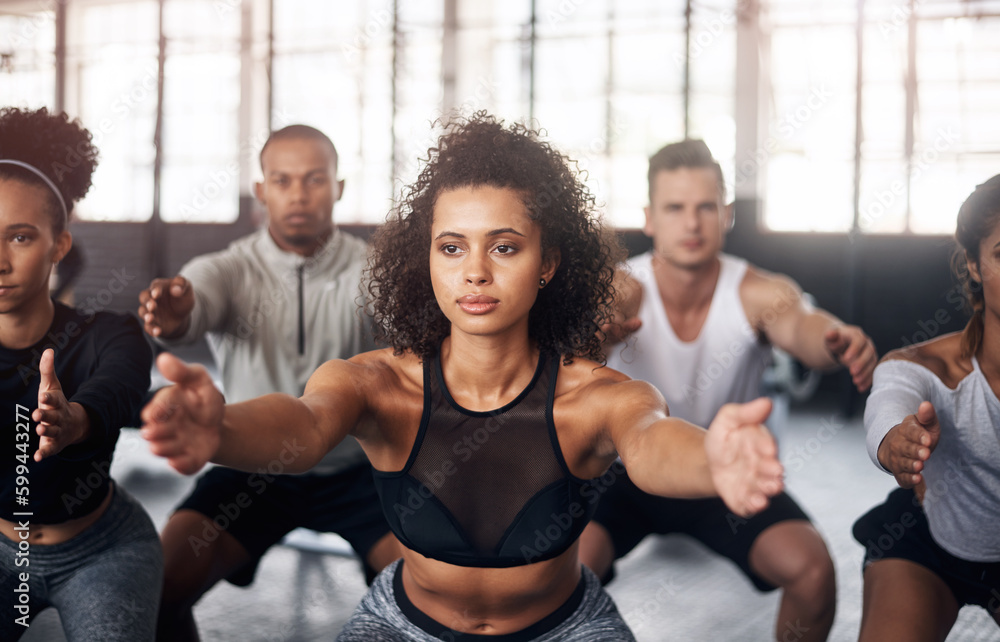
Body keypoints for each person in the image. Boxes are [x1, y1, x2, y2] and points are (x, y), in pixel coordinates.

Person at [140, 112, 785, 641]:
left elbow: (649, 440)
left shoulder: (598, 396)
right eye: (452, 247)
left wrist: (714, 460)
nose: (475, 271)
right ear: (428, 261)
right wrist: (219, 427)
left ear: (548, 262)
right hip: (402, 626)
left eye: (503, 247)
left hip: (567, 628)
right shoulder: (376, 384)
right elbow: (306, 426)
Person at [578, 139, 878, 642]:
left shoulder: (759, 292)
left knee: (813, 571)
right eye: (675, 208)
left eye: (705, 208)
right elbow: (586, 331)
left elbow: (806, 330)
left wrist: (837, 340)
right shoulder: (621, 289)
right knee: (563, 576)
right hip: (622, 473)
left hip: (722, 469)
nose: (691, 224)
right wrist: (590, 337)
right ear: (650, 218)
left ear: (728, 214)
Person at [137, 124, 399, 641]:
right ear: (261, 191)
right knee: (155, 589)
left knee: (436, 591)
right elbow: (195, 301)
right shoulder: (227, 269)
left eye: (314, 179)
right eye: (282, 180)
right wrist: (174, 317)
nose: (298, 194)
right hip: (251, 469)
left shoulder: (376, 271)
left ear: (338, 187)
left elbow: (410, 319)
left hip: (363, 471)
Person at [0, 106, 158, 640]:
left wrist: (75, 420)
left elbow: (119, 388)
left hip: (102, 547)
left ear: (59, 246)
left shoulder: (110, 333)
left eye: (20, 237)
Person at [853, 175, 1000, 641]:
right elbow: (889, 403)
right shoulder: (925, 368)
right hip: (929, 543)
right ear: (975, 265)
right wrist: (896, 442)